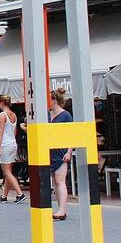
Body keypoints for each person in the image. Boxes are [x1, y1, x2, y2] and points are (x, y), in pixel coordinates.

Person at [0, 95, 24, 203]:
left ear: (1, 103)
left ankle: (19, 194)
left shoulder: (2, 115)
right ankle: (4, 195)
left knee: (7, 172)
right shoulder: (14, 115)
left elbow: (0, 132)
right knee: (9, 171)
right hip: (13, 144)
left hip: (5, 145)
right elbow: (15, 131)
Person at [48, 89, 73, 220]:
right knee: (55, 181)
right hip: (50, 151)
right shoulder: (48, 115)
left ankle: (62, 209)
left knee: (60, 180)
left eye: (49, 100)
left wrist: (69, 151)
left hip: (61, 151)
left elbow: (72, 135)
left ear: (55, 101)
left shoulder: (66, 116)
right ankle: (60, 208)